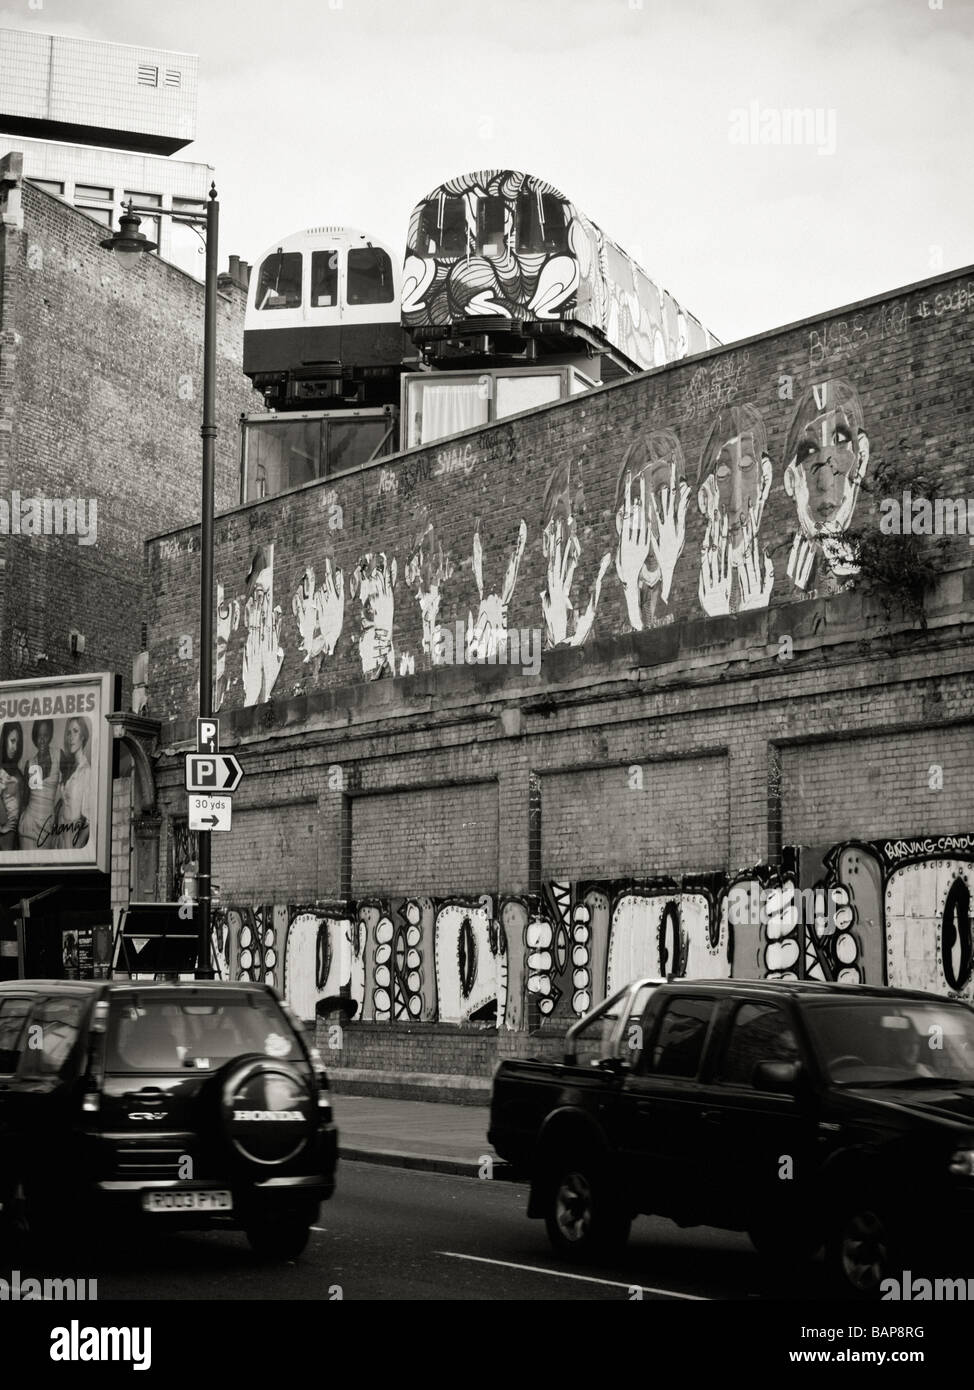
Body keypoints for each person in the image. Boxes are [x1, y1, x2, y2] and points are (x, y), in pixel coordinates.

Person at [19, 719, 60, 851]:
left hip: (47, 827)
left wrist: (59, 807)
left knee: (44, 868)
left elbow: (72, 781)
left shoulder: (59, 756)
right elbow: (24, 800)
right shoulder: (30, 764)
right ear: (34, 736)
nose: (41, 740)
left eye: (45, 735)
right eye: (39, 735)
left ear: (51, 735)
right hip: (28, 826)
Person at [55, 716, 91, 850]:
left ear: (83, 736)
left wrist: (76, 847)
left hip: (73, 836)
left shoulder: (86, 771)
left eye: (76, 732)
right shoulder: (68, 767)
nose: (71, 737)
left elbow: (89, 821)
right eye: (68, 733)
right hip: (59, 835)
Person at [0, 722, 28, 851]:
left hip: (17, 834)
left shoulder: (17, 772)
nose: (15, 747)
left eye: (18, 743)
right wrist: (1, 828)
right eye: (12, 741)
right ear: (4, 740)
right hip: (5, 835)